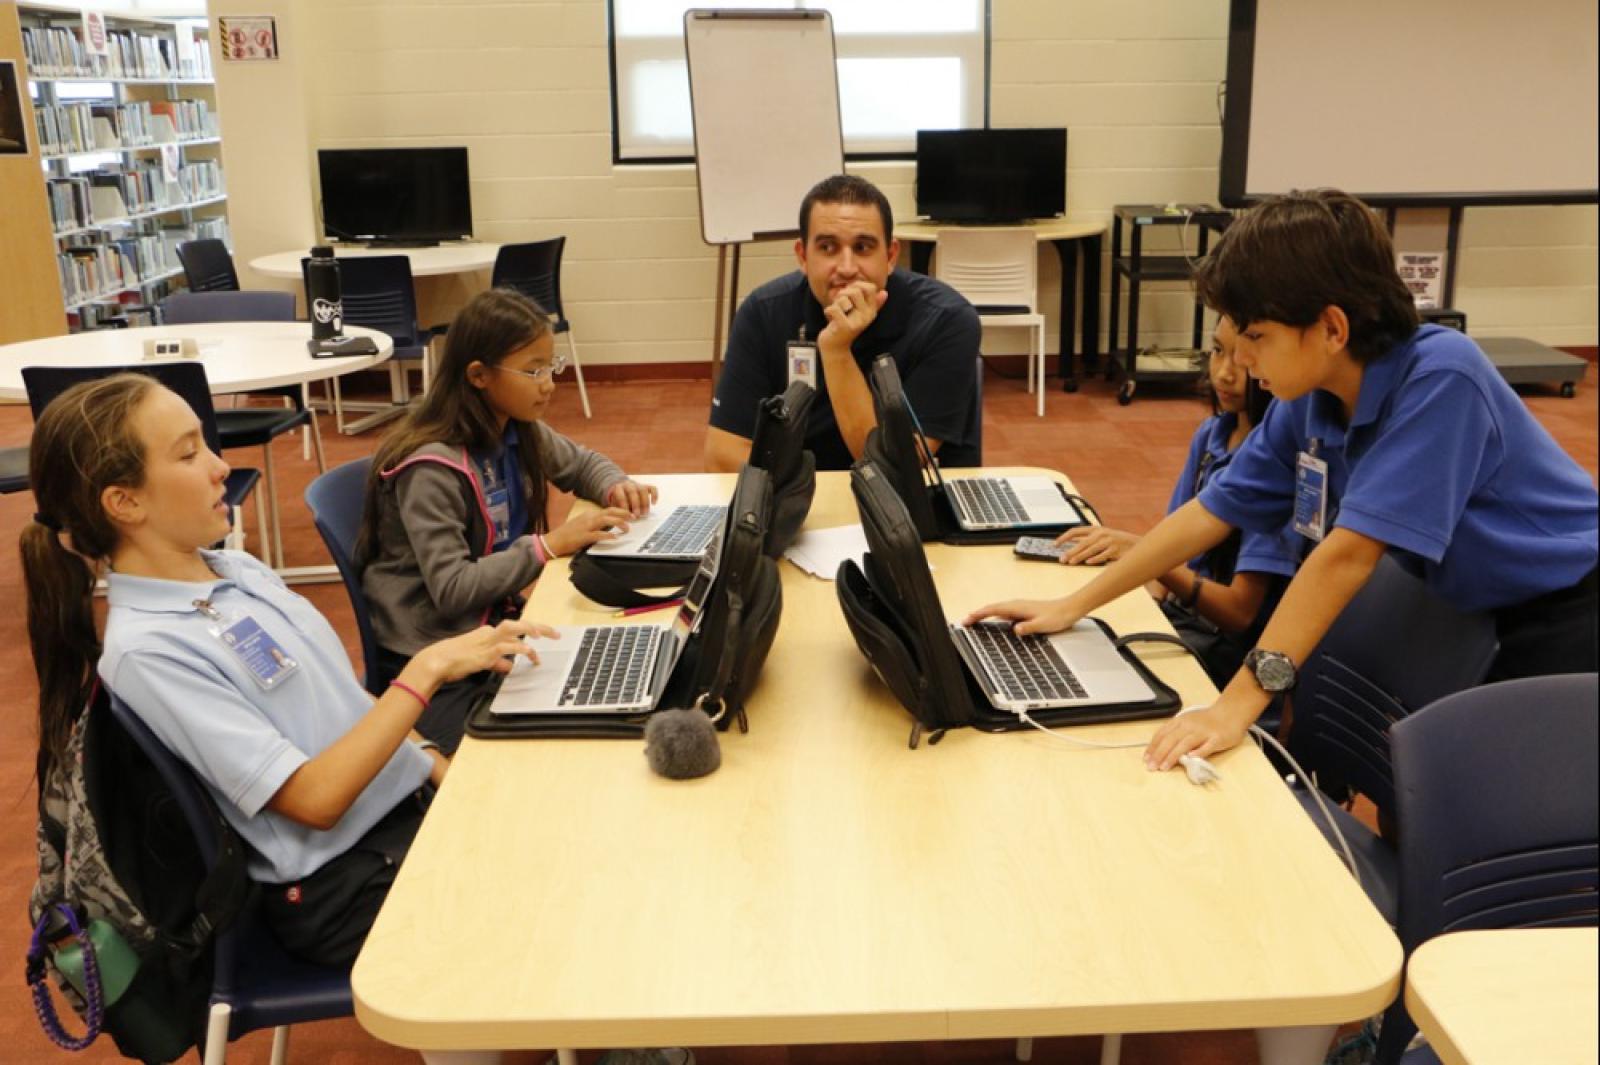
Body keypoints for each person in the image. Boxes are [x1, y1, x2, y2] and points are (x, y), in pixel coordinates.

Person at [969, 188, 1599, 774]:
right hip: (1473, 595)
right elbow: (1212, 511)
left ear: (1331, 328)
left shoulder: (1442, 378)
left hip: (1569, 601)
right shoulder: (1310, 393)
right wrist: (1071, 606)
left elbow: (1346, 557)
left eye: (1256, 336)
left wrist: (1237, 703)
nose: (1240, 360)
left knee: (1513, 794)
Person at [19, 374, 550, 1020]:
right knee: (548, 901)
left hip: (399, 814)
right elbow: (316, 800)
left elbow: (349, 711)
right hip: (342, 882)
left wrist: (446, 773)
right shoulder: (147, 650)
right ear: (124, 502)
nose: (221, 468)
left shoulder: (236, 571)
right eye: (188, 454)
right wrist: (428, 669)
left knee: (559, 823)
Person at [360, 287, 658, 752]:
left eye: (551, 366)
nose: (548, 383)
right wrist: (549, 545)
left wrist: (616, 485)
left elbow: (582, 464)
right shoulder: (431, 468)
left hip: (488, 627)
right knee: (524, 748)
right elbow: (453, 587)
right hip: (430, 657)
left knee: (602, 680)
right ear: (479, 375)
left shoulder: (517, 427)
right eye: (533, 369)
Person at [1055, 317, 1299, 687]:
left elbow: (1239, 613)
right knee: (1079, 640)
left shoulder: (1275, 467)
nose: (1224, 373)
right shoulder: (1212, 434)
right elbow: (1170, 552)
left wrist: (1143, 555)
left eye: (1241, 358)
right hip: (1183, 619)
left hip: (1227, 653)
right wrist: (1145, 607)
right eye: (1218, 352)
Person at [704, 173, 982, 472]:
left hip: (912, 507)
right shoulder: (762, 313)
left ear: (890, 256)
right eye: (827, 248)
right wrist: (804, 497)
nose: (847, 268)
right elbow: (722, 454)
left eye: (863, 248)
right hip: (799, 503)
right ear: (803, 256)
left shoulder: (947, 320)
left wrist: (836, 349)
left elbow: (893, 469)